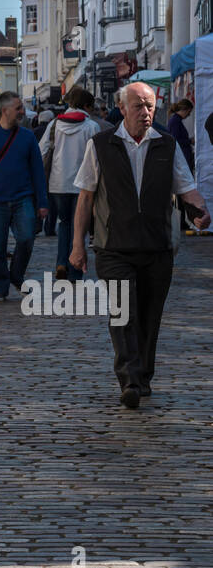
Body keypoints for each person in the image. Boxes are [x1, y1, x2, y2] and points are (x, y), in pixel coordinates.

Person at [70, 81, 210, 408]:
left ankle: (144, 373)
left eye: (150, 106)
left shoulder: (167, 144)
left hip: (157, 246)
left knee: (149, 315)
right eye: (139, 106)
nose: (146, 112)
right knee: (123, 314)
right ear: (122, 108)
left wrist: (201, 213)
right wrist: (77, 245)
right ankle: (130, 379)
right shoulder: (101, 145)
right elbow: (85, 198)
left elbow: (186, 188)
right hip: (113, 246)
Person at [0, 91, 49, 302]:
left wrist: (42, 202)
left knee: (26, 239)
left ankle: (16, 275)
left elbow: (37, 171)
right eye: (18, 108)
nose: (22, 111)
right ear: (5, 111)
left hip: (23, 198)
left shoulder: (27, 136)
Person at [38, 87, 100, 280]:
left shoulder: (55, 125)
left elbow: (41, 150)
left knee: (64, 223)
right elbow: (97, 157)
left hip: (58, 183)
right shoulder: (91, 127)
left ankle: (61, 263)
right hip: (83, 185)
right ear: (87, 106)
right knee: (78, 227)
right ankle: (74, 270)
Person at [168, 99, 196, 236]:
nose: (189, 115)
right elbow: (175, 140)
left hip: (184, 157)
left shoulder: (175, 121)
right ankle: (181, 220)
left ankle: (183, 220)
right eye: (189, 112)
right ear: (184, 109)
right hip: (182, 158)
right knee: (183, 191)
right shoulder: (175, 121)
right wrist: (188, 141)